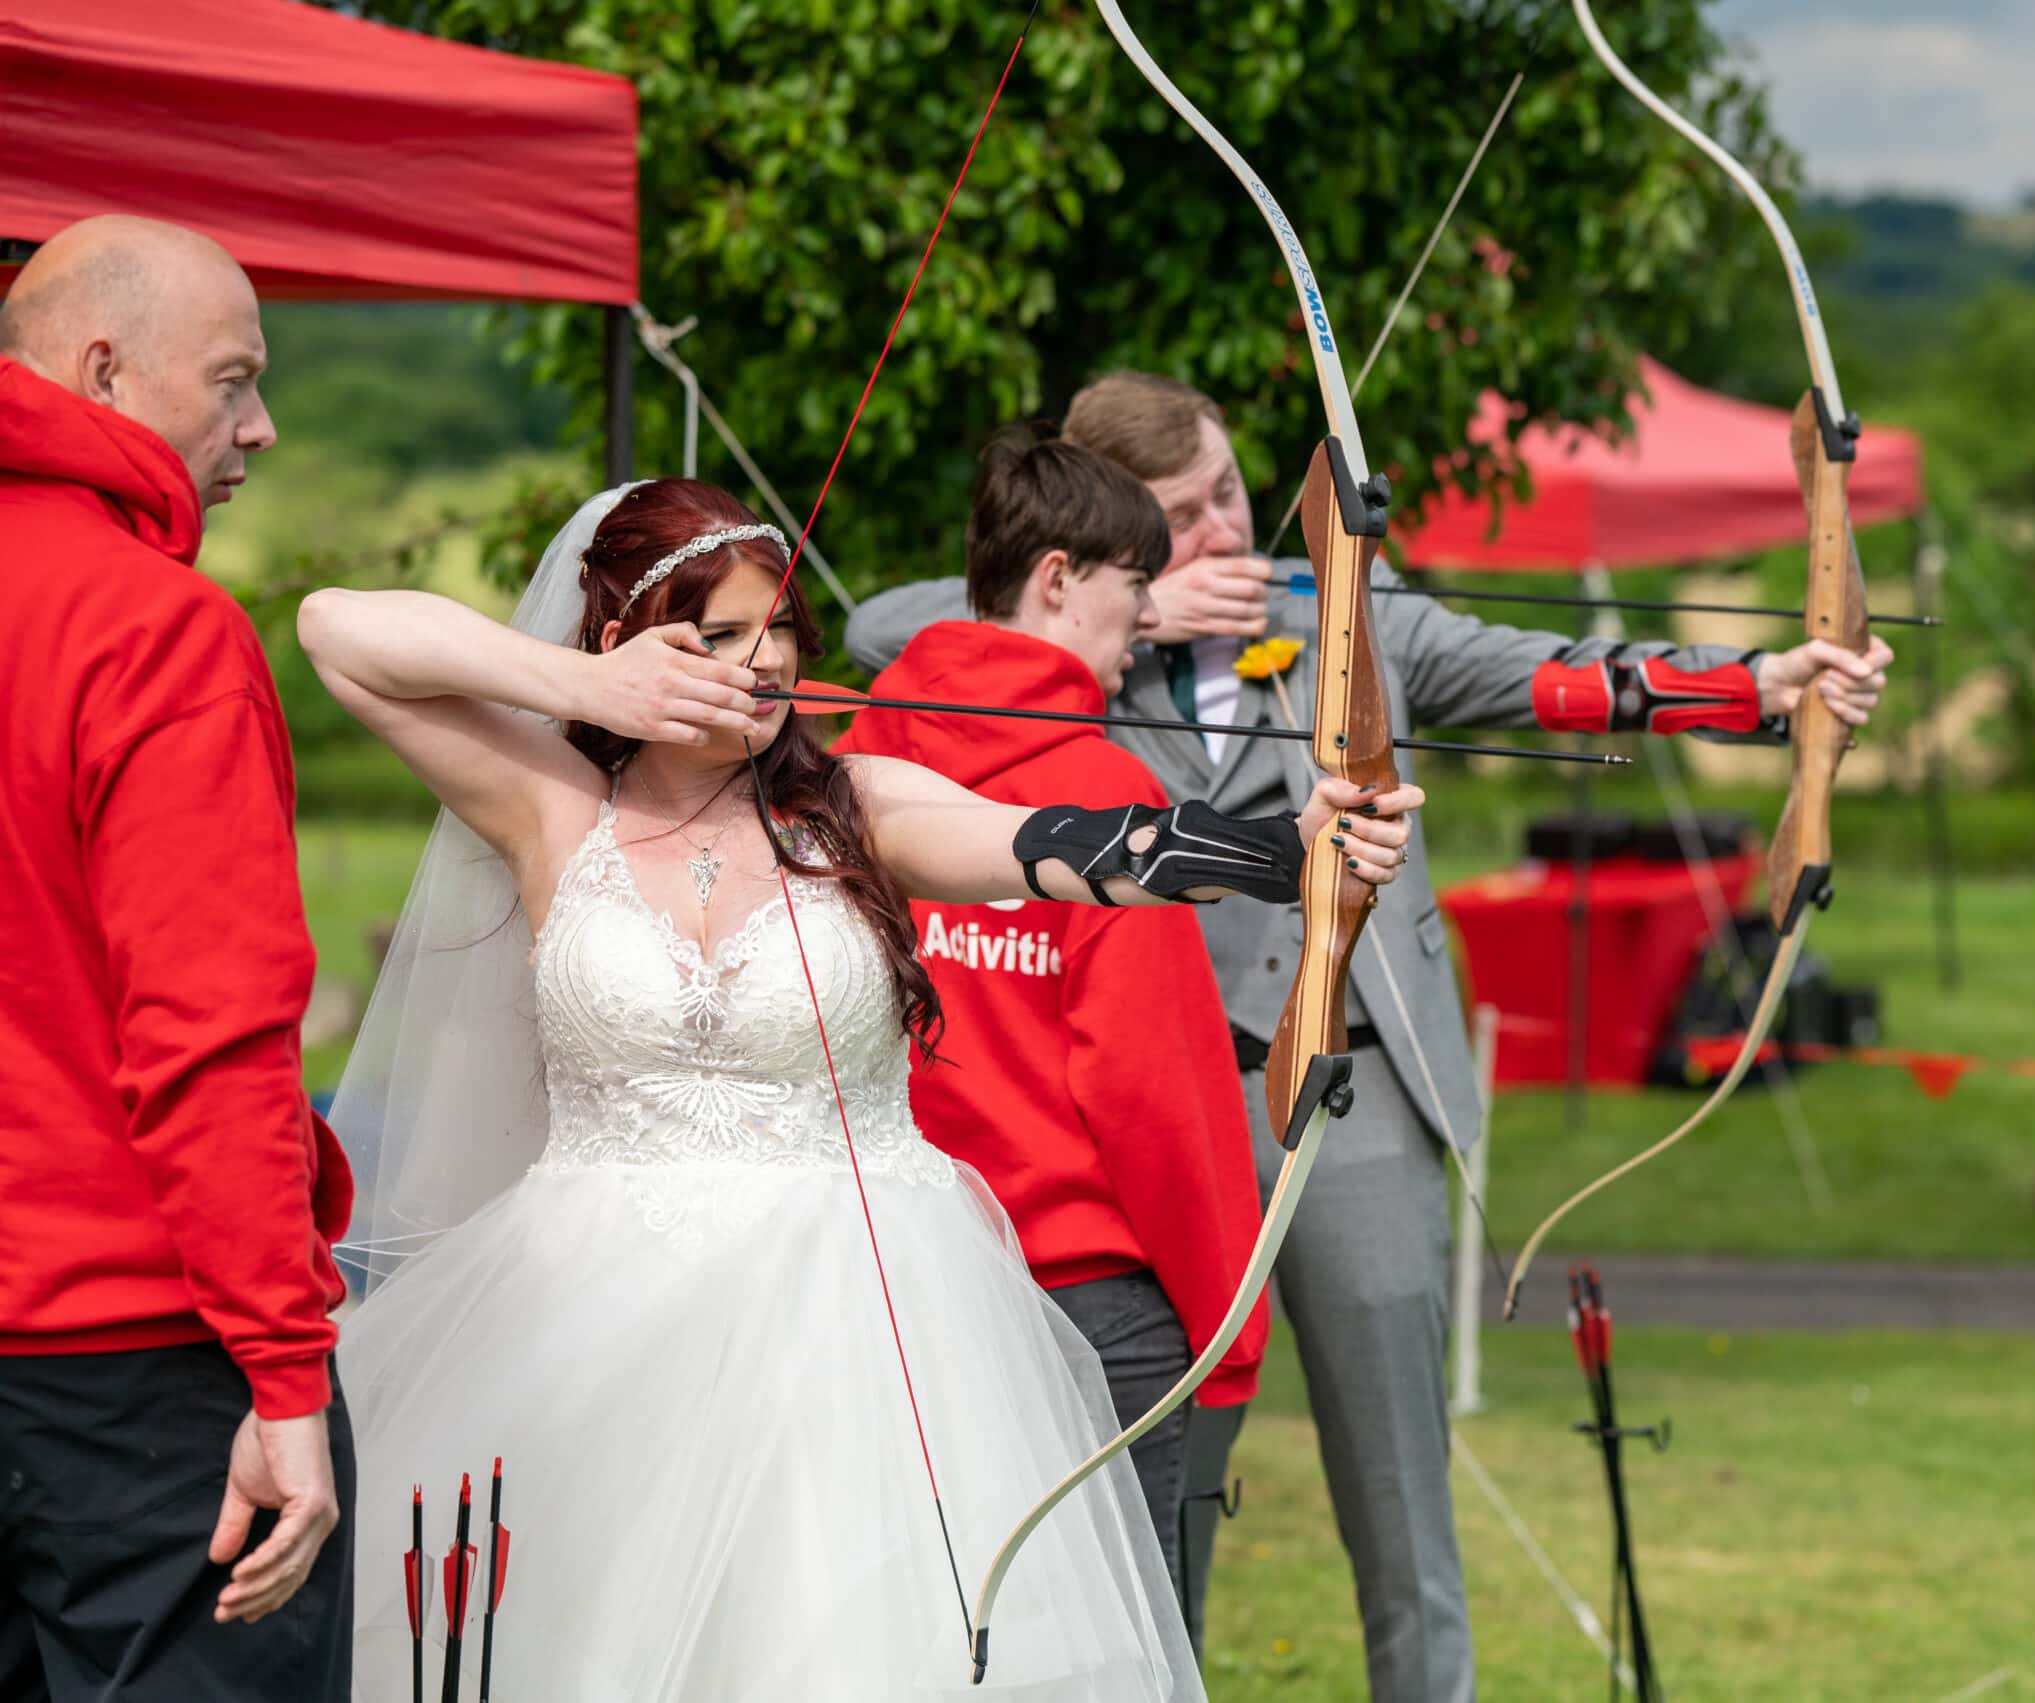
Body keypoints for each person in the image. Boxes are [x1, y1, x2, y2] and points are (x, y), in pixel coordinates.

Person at [847, 369, 1893, 1703]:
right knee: (1169, 1467)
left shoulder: (1327, 602)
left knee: (1398, 1475)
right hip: (1146, 1115)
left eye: (1229, 493)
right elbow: (898, 625)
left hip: (1343, 1088)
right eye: (1183, 513)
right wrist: (1144, 598)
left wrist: (1757, 686)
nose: (1226, 531)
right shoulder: (1069, 639)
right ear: (1102, 538)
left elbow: (1545, 675)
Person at [303, 476, 1420, 1700]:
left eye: (776, 626)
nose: (764, 659)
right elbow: (337, 631)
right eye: (718, 633)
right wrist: (584, 688)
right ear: (628, 639)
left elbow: (1060, 847)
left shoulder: (859, 802)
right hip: (589, 1319)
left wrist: (1286, 851)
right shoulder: (549, 803)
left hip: (851, 1326)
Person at [0, 215, 355, 1699]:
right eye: (232, 381)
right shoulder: (151, 627)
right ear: (103, 368)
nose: (259, 426)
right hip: (128, 1359)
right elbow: (209, 1037)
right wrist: (285, 1370)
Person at [833, 429, 1269, 1622]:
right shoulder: (1113, 796)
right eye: (1136, 585)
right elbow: (1151, 1088)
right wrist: (1229, 1312)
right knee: (1126, 1646)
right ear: (1060, 578)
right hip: (1083, 1299)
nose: (1146, 618)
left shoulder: (854, 764)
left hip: (884, 1283)